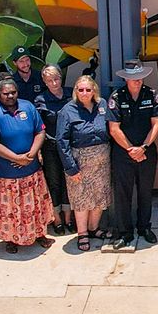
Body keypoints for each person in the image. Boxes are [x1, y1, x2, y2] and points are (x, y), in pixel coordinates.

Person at [0, 77, 53, 253]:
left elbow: (40, 131)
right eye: (6, 94)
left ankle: (39, 234)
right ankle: (11, 239)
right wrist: (16, 158)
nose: (10, 96)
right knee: (10, 211)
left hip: (31, 169)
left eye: (13, 92)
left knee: (35, 206)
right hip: (5, 175)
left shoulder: (28, 107)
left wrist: (32, 153)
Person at [108, 59, 158, 250]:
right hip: (124, 155)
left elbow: (156, 124)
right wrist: (132, 149)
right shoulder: (117, 96)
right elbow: (114, 129)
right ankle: (125, 233)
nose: (137, 81)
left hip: (147, 152)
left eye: (140, 77)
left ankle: (144, 228)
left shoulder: (152, 94)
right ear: (126, 79)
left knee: (146, 192)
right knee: (123, 194)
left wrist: (144, 147)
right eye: (133, 78)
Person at [54, 76, 112, 250]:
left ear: (94, 90)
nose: (85, 93)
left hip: (102, 159)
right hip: (79, 160)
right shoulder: (67, 110)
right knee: (81, 199)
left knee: (99, 197)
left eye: (88, 89)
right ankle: (82, 233)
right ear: (75, 91)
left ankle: (94, 229)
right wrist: (71, 167)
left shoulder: (102, 104)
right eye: (81, 90)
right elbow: (61, 140)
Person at [34, 63, 74, 234]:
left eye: (56, 78)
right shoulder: (40, 100)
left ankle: (68, 218)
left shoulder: (71, 94)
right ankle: (56, 218)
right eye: (50, 80)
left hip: (70, 146)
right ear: (44, 81)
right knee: (54, 182)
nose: (54, 83)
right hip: (50, 148)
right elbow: (38, 128)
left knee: (69, 182)